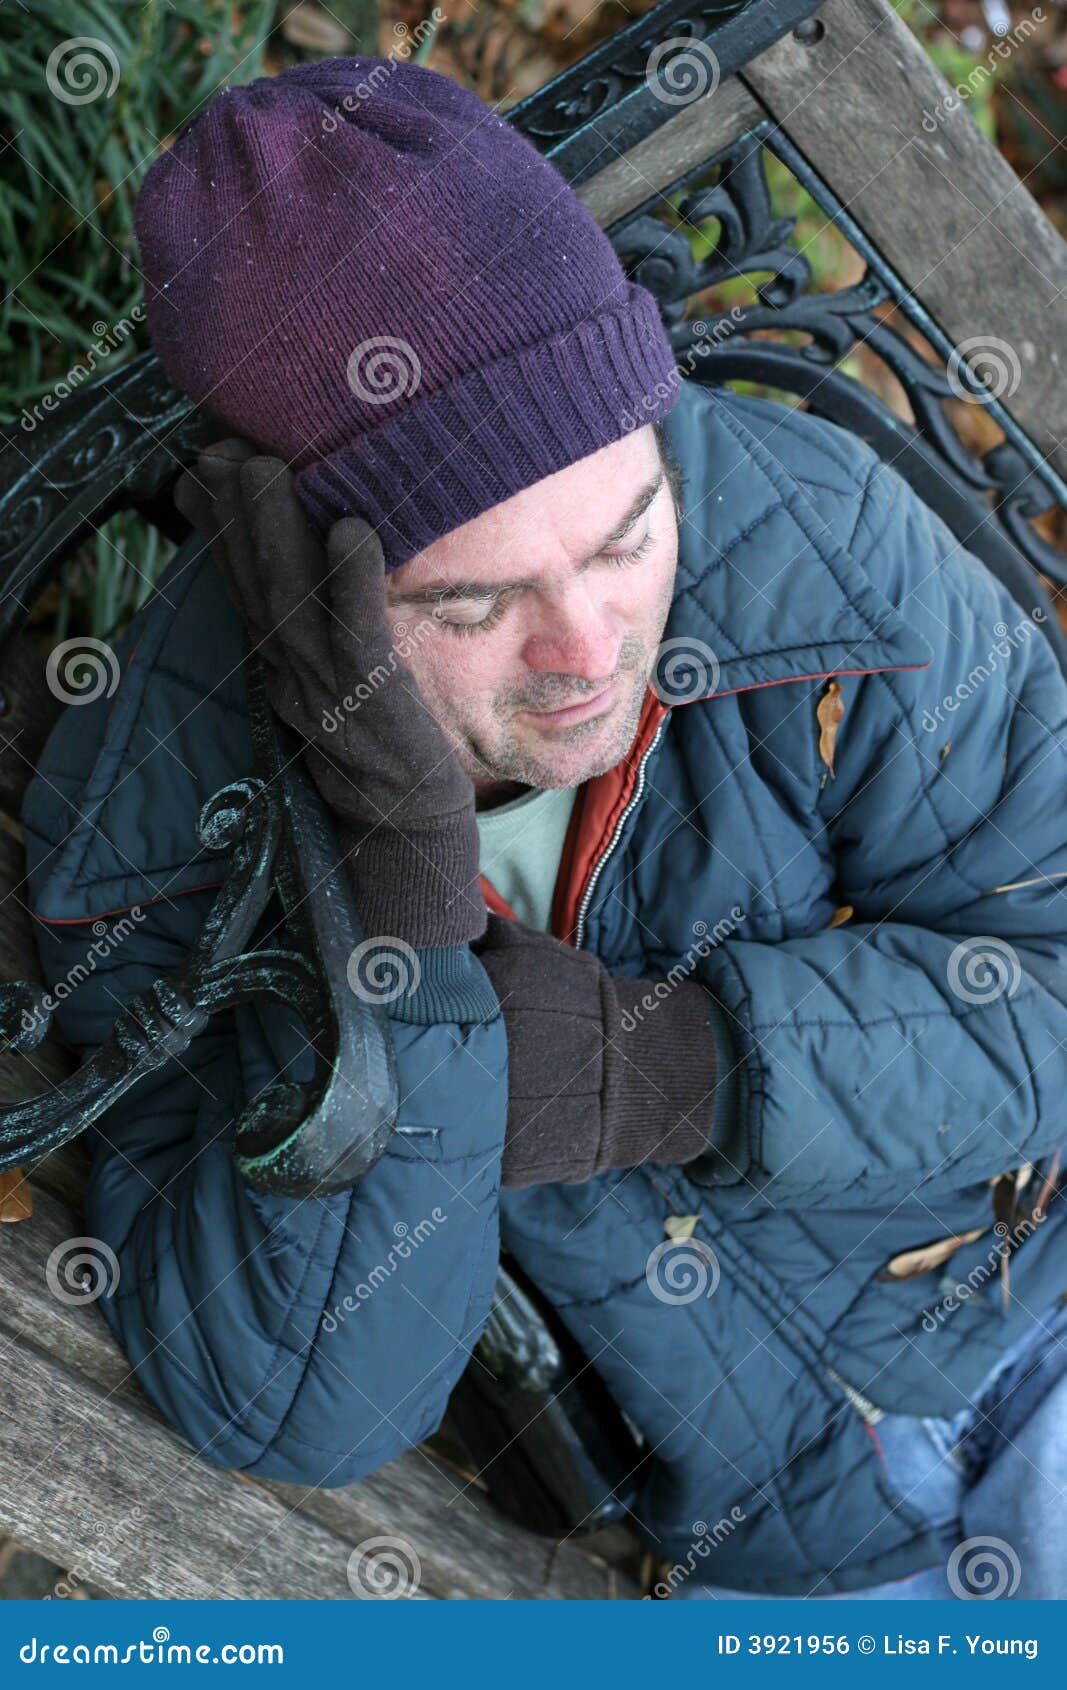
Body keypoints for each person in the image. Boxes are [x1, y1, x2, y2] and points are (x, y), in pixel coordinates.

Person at [21, 56, 1067, 1599]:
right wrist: (394, 910)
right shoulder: (159, 830)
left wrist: (686, 1065)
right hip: (777, 1552)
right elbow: (294, 1399)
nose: (587, 649)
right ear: (300, 578)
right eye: (474, 602)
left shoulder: (815, 541)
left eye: (626, 537)